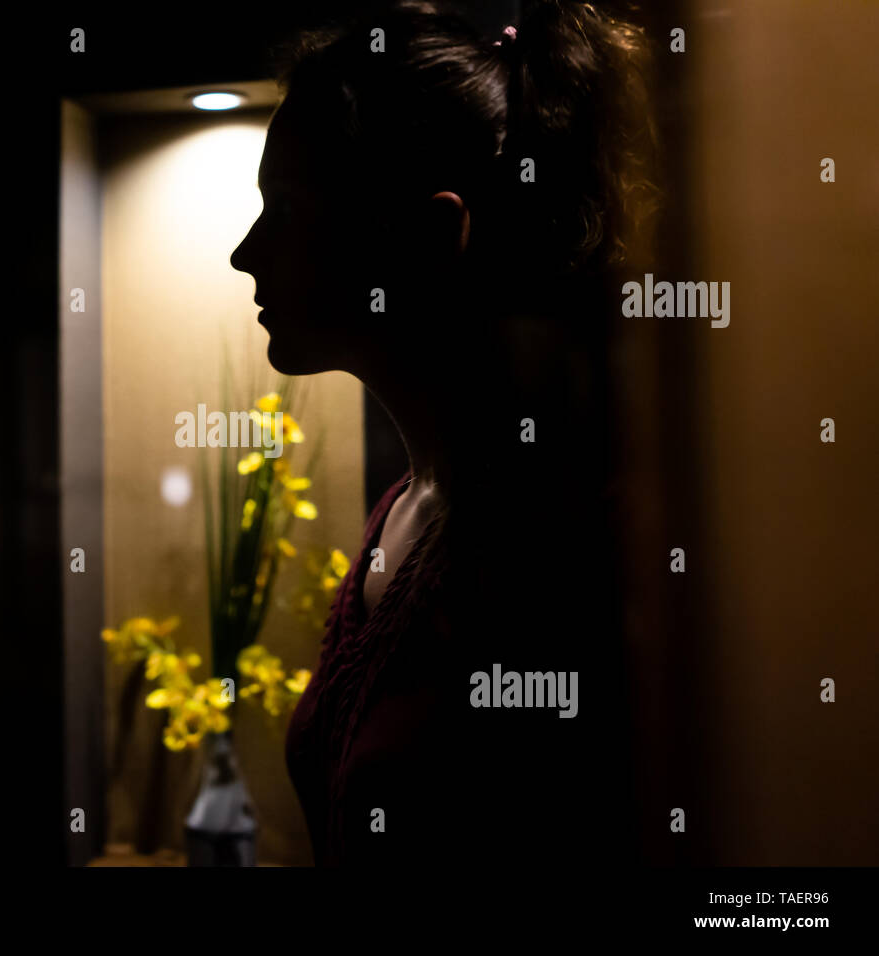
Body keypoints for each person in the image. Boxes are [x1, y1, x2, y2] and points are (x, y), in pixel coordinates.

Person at [230, 0, 657, 866]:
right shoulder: (405, 511)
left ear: (428, 237)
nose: (245, 252)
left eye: (285, 209)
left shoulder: (571, 541)